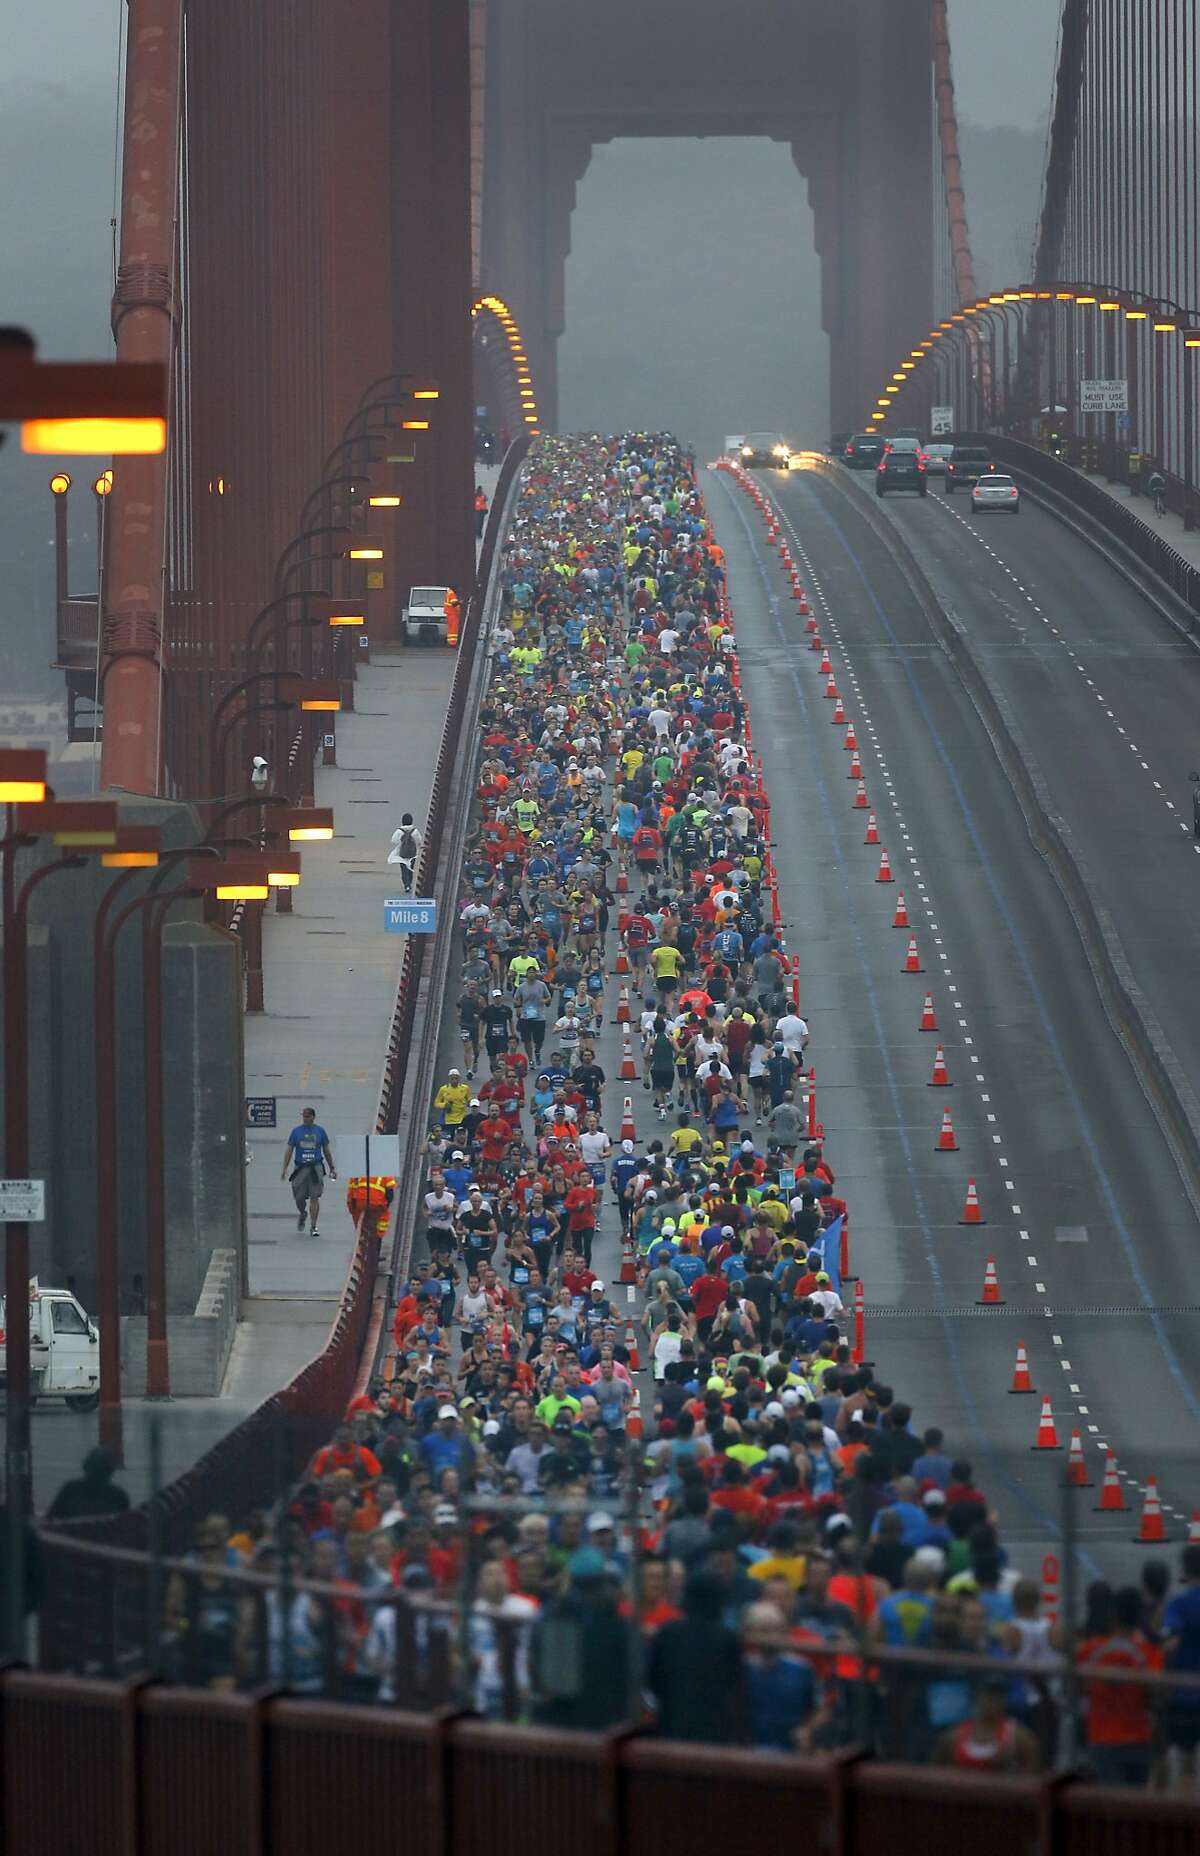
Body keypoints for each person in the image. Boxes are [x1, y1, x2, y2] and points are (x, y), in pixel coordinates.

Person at [281, 1106, 336, 1234]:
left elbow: (326, 1151)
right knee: (299, 1198)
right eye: (303, 1116)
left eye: (307, 1116)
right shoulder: (296, 1132)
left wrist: (331, 1167)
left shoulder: (320, 1131)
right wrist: (284, 1168)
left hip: (315, 1167)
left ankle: (313, 1226)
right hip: (300, 1167)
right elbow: (289, 1150)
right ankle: (302, 1213)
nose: (305, 1119)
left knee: (314, 1196)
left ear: (313, 1117)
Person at [45, 1447, 130, 1521]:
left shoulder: (118, 1495)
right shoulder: (70, 1490)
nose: (98, 1475)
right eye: (97, 1470)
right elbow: (50, 1520)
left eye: (103, 1470)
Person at [388, 813, 424, 895]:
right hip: (412, 853)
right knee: (410, 868)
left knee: (403, 869)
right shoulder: (415, 830)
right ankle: (410, 882)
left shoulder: (399, 831)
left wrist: (402, 843)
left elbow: (393, 840)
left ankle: (406, 885)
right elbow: (419, 841)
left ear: (402, 821)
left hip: (402, 854)